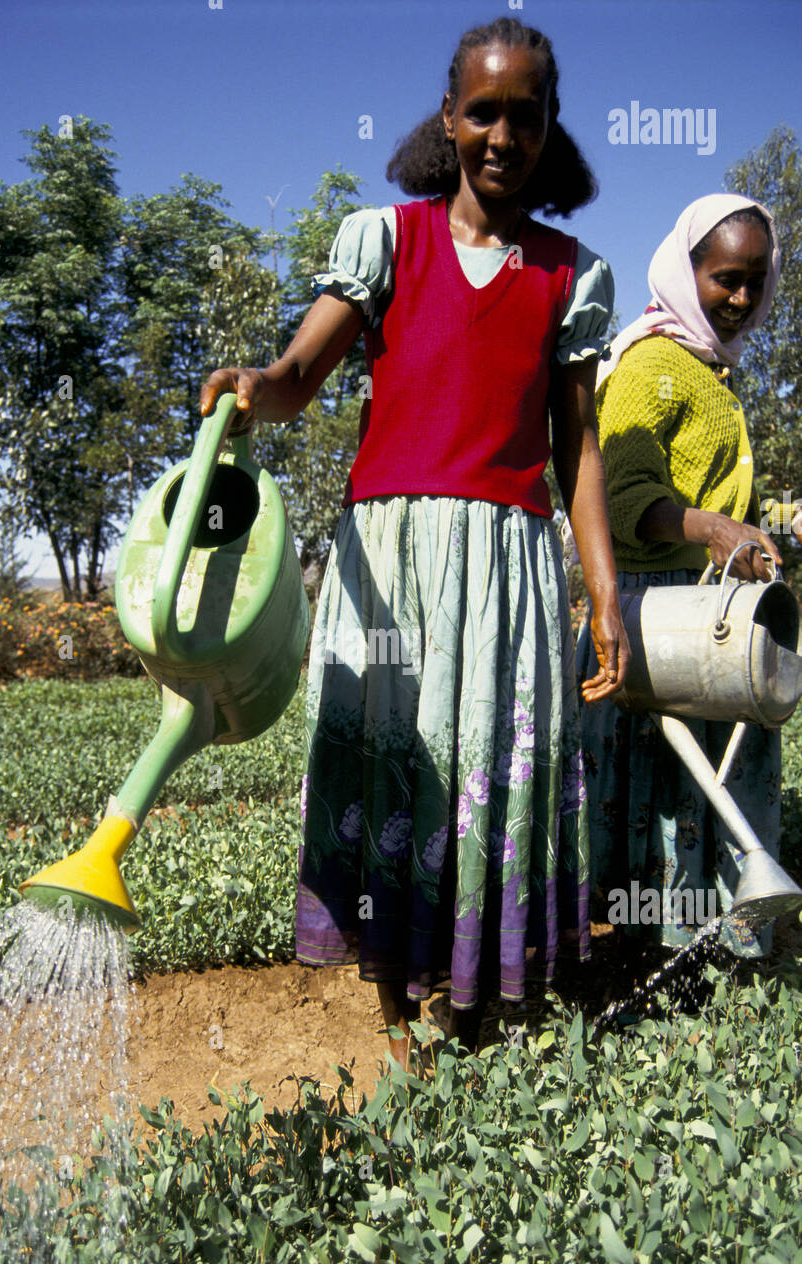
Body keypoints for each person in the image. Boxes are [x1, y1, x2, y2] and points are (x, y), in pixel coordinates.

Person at [201, 16, 629, 1069]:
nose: (499, 135)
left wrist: (603, 591)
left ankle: (471, 1012)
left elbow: (575, 450)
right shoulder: (385, 240)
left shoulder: (570, 275)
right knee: (395, 768)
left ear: (546, 129)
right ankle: (397, 1018)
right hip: (388, 563)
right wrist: (254, 391)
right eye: (480, 112)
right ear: (448, 118)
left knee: (490, 768)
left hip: (507, 569)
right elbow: (301, 372)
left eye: (521, 117)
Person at [576, 194, 783, 967]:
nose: (739, 298)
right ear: (682, 269)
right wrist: (707, 528)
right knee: (668, 790)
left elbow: (723, 497)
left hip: (708, 619)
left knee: (710, 780)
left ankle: (718, 945)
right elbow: (620, 497)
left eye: (753, 282)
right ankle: (662, 954)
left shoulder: (711, 373)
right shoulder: (649, 364)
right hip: (656, 623)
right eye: (724, 278)